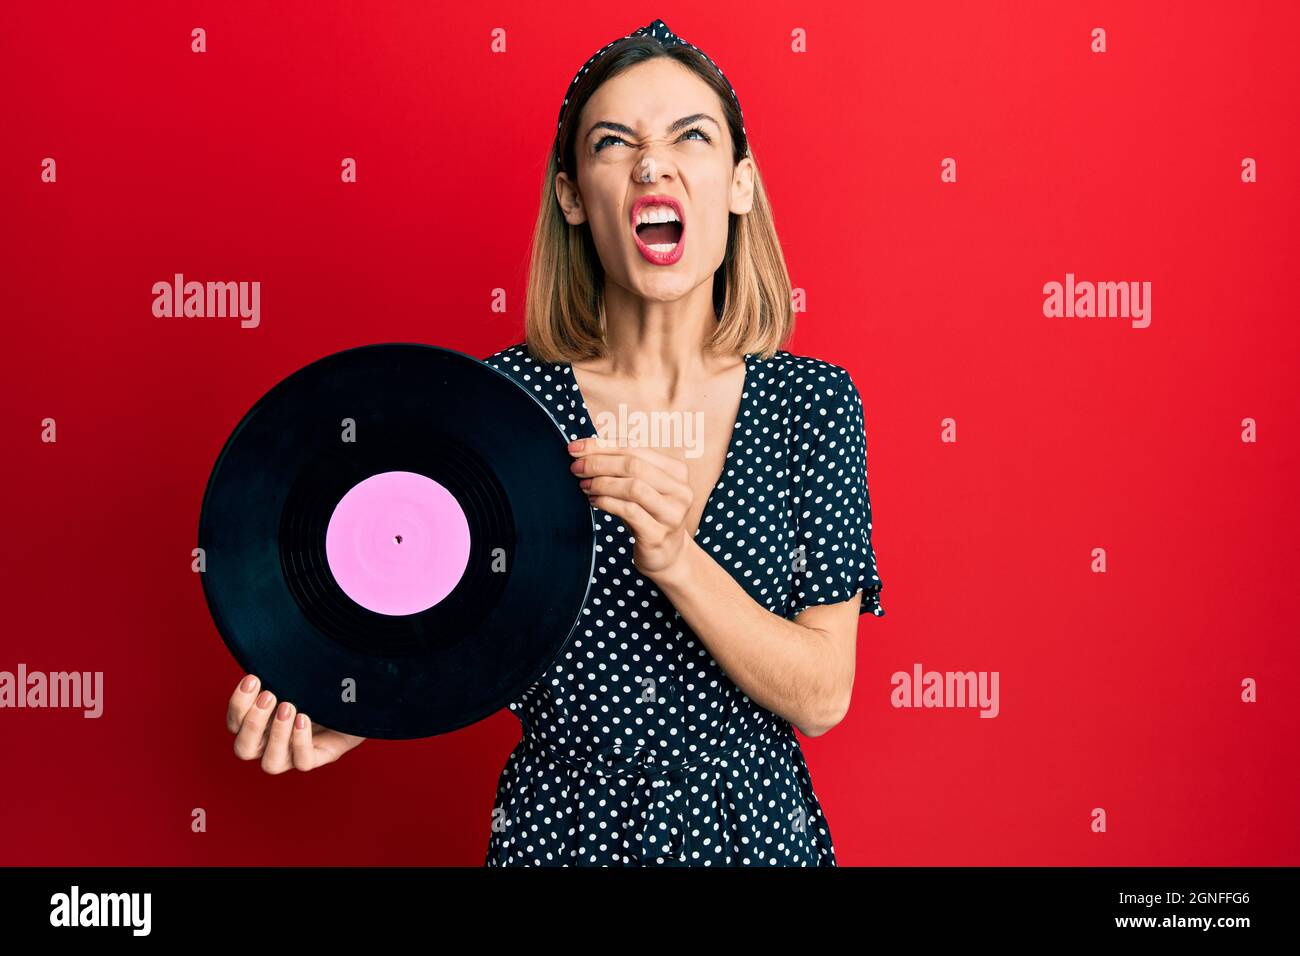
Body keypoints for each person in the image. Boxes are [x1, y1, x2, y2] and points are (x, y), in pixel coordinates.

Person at [225, 18, 883, 867]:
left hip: (756, 835)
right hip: (559, 837)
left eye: (692, 134)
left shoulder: (813, 404)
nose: (654, 163)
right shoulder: (500, 407)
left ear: (738, 184)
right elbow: (435, 624)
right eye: (614, 143)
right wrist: (338, 712)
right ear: (574, 196)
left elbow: (823, 694)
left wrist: (677, 556)